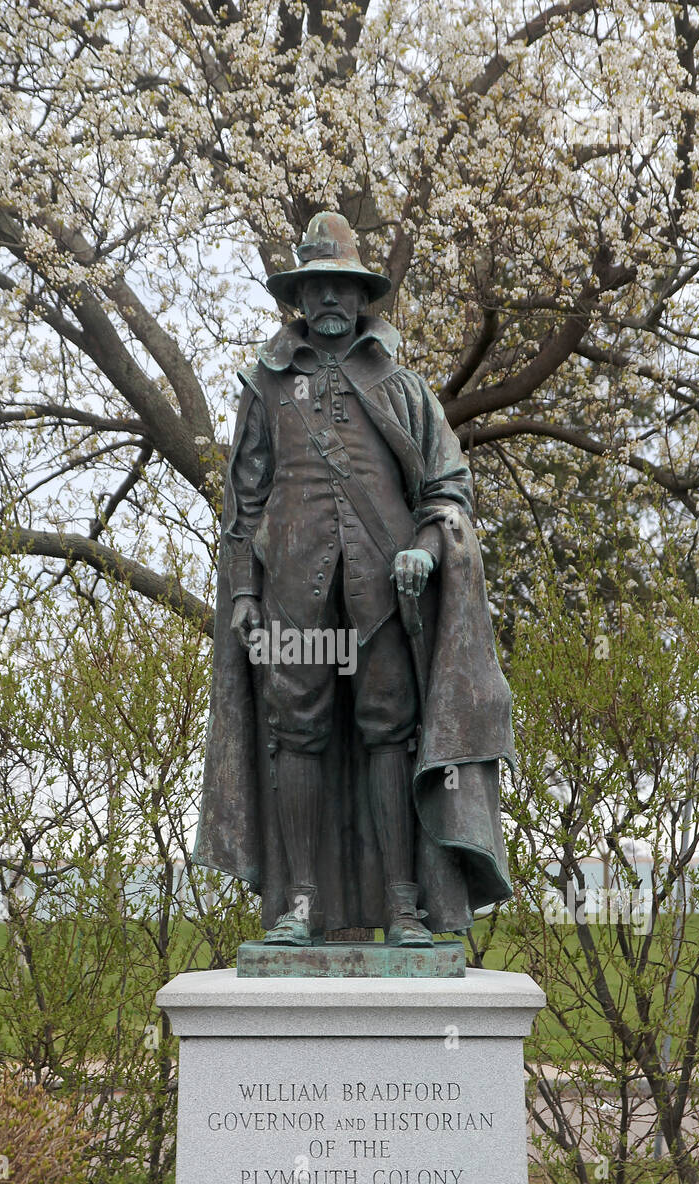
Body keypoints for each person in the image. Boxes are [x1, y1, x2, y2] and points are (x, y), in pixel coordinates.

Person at [196, 212, 515, 947]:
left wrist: (429, 551)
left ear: (362, 294)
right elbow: (242, 508)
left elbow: (448, 488)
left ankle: (405, 906)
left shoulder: (401, 386)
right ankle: (299, 904)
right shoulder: (266, 387)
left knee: (388, 732)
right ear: (299, 298)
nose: (331, 299)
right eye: (317, 287)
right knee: (297, 735)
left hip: (384, 603)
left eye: (343, 285)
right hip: (293, 606)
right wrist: (244, 595)